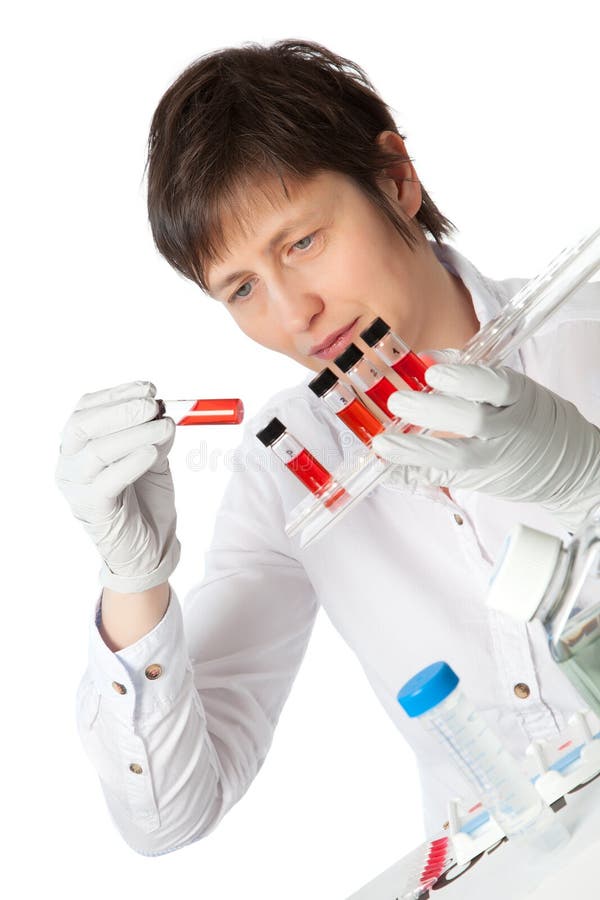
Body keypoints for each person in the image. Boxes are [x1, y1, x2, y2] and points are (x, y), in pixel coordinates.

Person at [55, 40, 600, 856]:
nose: (294, 313)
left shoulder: (584, 332)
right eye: (241, 289)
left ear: (395, 180)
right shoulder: (288, 466)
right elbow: (169, 815)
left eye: (300, 242)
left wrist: (585, 476)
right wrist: (132, 582)